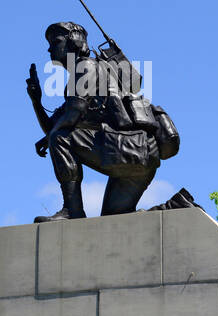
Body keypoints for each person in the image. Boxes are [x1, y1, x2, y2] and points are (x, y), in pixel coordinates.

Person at [26, 21, 160, 221]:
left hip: (130, 149)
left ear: (74, 41)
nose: (49, 48)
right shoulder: (87, 72)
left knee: (61, 138)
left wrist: (51, 138)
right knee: (115, 220)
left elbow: (68, 120)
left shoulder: (86, 66)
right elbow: (53, 128)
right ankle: (174, 207)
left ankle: (72, 210)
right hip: (141, 156)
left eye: (55, 41)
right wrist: (36, 101)